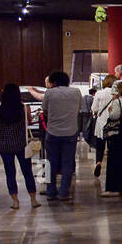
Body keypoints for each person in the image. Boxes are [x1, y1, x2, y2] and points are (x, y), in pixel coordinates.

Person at [28, 71, 82, 203]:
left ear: (54, 82)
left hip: (53, 132)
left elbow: (45, 109)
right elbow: (78, 109)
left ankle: (51, 192)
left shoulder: (49, 93)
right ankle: (64, 192)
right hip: (70, 132)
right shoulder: (76, 92)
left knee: (50, 163)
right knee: (67, 163)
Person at [0, 84, 40, 209]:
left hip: (5, 144)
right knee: (27, 172)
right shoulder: (24, 108)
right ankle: (33, 200)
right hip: (21, 144)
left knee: (10, 173)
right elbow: (30, 121)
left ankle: (15, 202)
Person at [90, 75, 116, 177]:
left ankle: (98, 163)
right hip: (113, 122)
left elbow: (94, 108)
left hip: (101, 122)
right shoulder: (116, 94)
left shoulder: (99, 93)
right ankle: (112, 166)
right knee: (112, 146)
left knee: (100, 146)